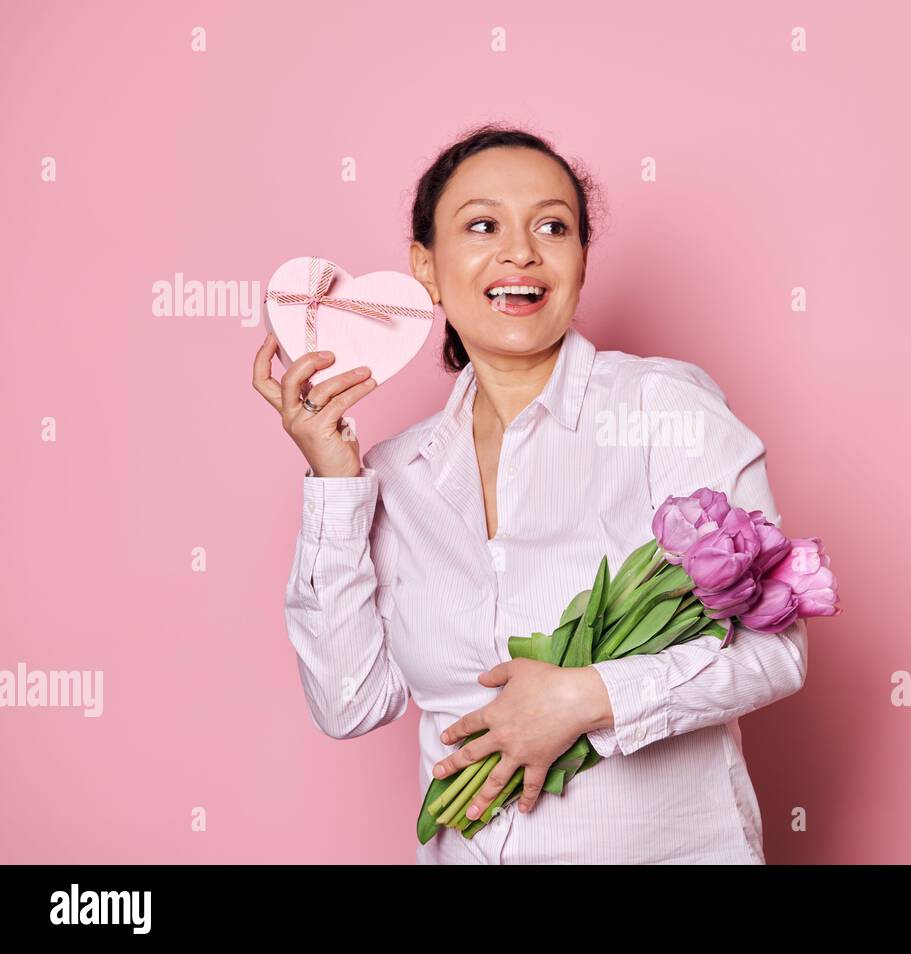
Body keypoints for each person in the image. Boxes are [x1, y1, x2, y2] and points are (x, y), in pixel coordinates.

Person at [251, 124, 809, 864]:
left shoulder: (660, 408)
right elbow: (349, 702)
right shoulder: (393, 477)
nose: (521, 251)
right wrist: (333, 481)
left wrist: (587, 698)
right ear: (426, 266)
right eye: (483, 225)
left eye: (553, 226)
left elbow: (778, 652)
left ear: (580, 259)